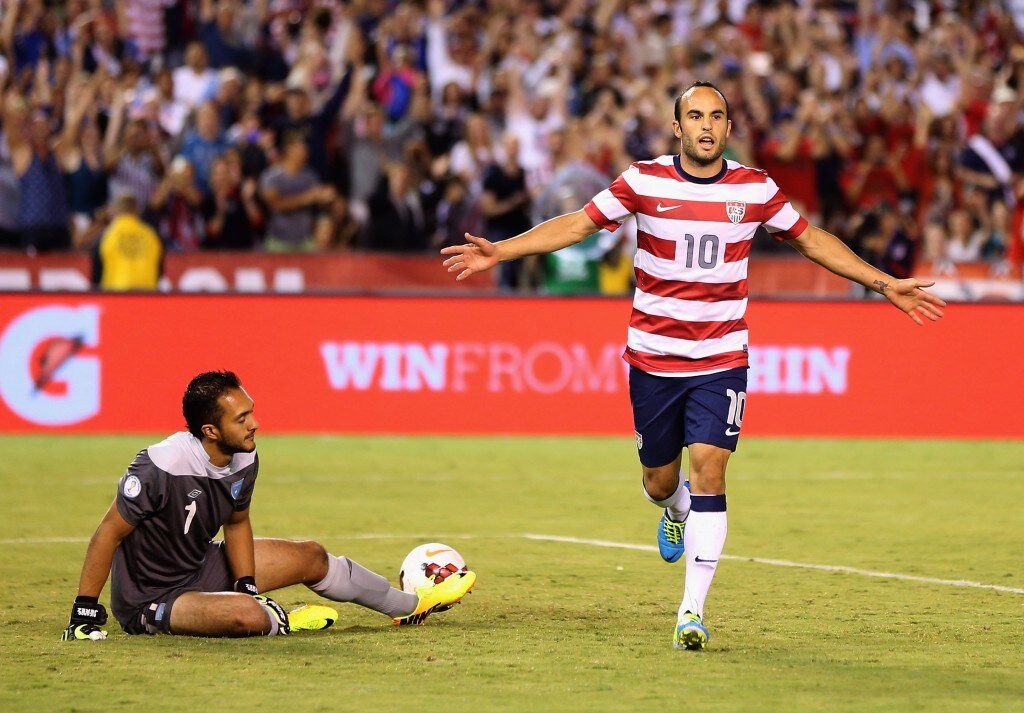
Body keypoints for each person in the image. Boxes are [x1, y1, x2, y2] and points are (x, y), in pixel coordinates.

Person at [441, 81, 945, 652]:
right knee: (660, 480)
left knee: (711, 468)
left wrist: (883, 285)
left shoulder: (756, 189)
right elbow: (579, 224)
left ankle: (691, 611)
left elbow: (813, 241)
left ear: (728, 128)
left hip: (721, 358)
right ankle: (673, 507)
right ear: (676, 127)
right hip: (654, 360)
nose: (707, 125)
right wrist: (500, 251)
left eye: (717, 116)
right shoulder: (644, 181)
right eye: (695, 116)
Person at [62, 370, 476, 641]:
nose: (254, 424)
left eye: (251, 412)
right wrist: (84, 610)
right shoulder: (159, 465)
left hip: (200, 567)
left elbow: (237, 523)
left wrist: (246, 582)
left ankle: (410, 606)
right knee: (248, 617)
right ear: (210, 430)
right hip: (151, 599)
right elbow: (108, 533)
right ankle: (280, 620)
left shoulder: (244, 456)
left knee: (312, 556)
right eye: (241, 418)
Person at [93, 192, 162, 291]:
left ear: (116, 210)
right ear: (137, 210)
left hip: (115, 296)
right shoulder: (151, 236)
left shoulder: (106, 236)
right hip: (147, 297)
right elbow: (159, 271)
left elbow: (96, 276)